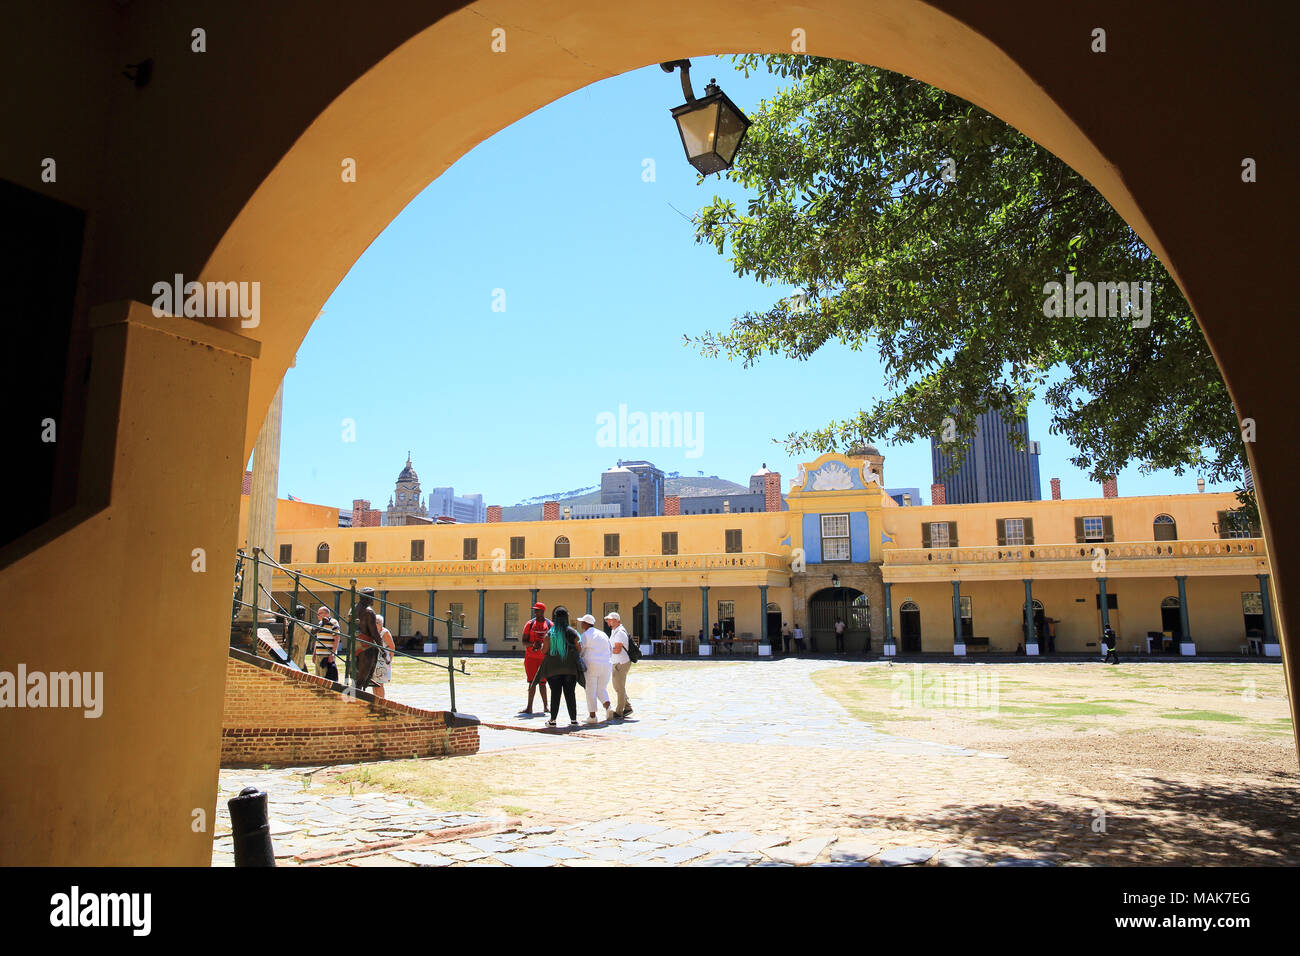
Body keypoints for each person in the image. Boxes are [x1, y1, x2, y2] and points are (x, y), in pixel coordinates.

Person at [532, 606, 584, 727]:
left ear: (555, 618)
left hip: (553, 668)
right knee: (570, 693)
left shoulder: (550, 633)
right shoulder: (573, 632)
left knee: (555, 694)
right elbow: (579, 649)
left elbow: (544, 651)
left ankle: (553, 720)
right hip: (570, 668)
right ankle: (573, 720)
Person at [576, 613, 613, 723]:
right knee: (601, 689)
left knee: (590, 690)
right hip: (606, 664)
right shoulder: (603, 634)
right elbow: (610, 649)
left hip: (592, 665)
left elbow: (581, 651)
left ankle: (592, 716)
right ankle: (608, 707)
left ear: (586, 624)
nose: (581, 623)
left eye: (582, 622)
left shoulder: (585, 635)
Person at [519, 602, 551, 716]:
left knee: (543, 683)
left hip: (543, 658)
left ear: (543, 611)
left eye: (537, 610)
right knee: (532, 683)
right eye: (535, 610)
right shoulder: (529, 624)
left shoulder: (549, 624)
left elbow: (553, 640)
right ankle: (529, 707)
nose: (535, 612)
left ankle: (546, 706)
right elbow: (524, 641)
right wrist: (533, 644)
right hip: (531, 658)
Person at [352, 587, 382, 691]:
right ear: (367, 598)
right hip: (365, 645)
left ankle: (362, 682)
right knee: (361, 679)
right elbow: (374, 633)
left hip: (353, 643)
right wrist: (382, 648)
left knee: (355, 676)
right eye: (372, 597)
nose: (373, 600)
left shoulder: (353, 608)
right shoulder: (369, 612)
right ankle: (366, 680)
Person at [606, 610, 633, 718]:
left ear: (616, 621)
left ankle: (619, 711)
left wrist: (606, 650)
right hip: (616, 662)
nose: (608, 621)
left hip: (621, 662)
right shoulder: (615, 631)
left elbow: (617, 649)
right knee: (617, 686)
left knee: (619, 687)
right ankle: (627, 707)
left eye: (610, 620)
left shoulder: (620, 632)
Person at [372, 613, 396, 698]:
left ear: (379, 623)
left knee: (379, 683)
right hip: (373, 660)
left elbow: (392, 647)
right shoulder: (373, 632)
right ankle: (375, 700)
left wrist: (390, 660)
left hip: (382, 661)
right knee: (373, 683)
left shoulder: (384, 632)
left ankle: (381, 701)